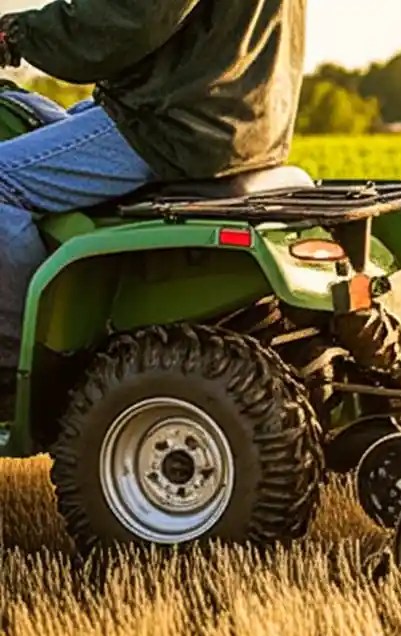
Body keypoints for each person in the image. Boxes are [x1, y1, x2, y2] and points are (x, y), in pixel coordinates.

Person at [0, 0, 307, 422]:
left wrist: (17, 34)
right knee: (44, 122)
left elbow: (128, 18)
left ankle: (16, 366)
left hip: (174, 125)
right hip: (238, 123)